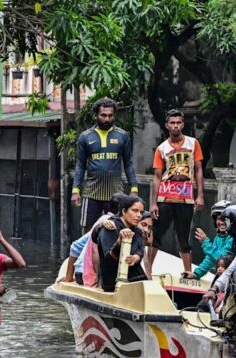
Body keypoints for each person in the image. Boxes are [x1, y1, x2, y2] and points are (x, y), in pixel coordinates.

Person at [148, 109, 205, 274]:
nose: (175, 126)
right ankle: (148, 272)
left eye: (178, 122)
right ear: (167, 125)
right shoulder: (161, 148)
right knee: (156, 235)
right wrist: (153, 203)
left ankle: (187, 272)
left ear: (183, 124)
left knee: (183, 236)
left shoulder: (193, 143)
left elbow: (199, 170)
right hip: (165, 196)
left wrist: (200, 195)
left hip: (185, 197)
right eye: (172, 123)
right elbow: (157, 176)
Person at [71, 98, 139, 234]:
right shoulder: (85, 137)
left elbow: (128, 163)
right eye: (103, 115)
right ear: (96, 115)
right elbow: (80, 165)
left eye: (110, 115)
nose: (107, 119)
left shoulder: (122, 135)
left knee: (118, 230)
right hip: (91, 193)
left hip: (116, 194)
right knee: (88, 232)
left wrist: (134, 189)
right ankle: (87, 255)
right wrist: (75, 191)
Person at [96, 195, 147, 292]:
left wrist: (135, 258)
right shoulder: (111, 227)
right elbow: (108, 261)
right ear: (124, 211)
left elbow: (140, 252)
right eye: (134, 210)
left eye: (141, 212)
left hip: (135, 279)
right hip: (114, 283)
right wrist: (119, 242)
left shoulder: (137, 231)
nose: (139, 215)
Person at [184, 200, 233, 280]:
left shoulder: (233, 236)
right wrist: (196, 274)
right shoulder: (219, 237)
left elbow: (223, 259)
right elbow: (210, 259)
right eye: (219, 219)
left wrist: (205, 243)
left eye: (224, 219)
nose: (221, 222)